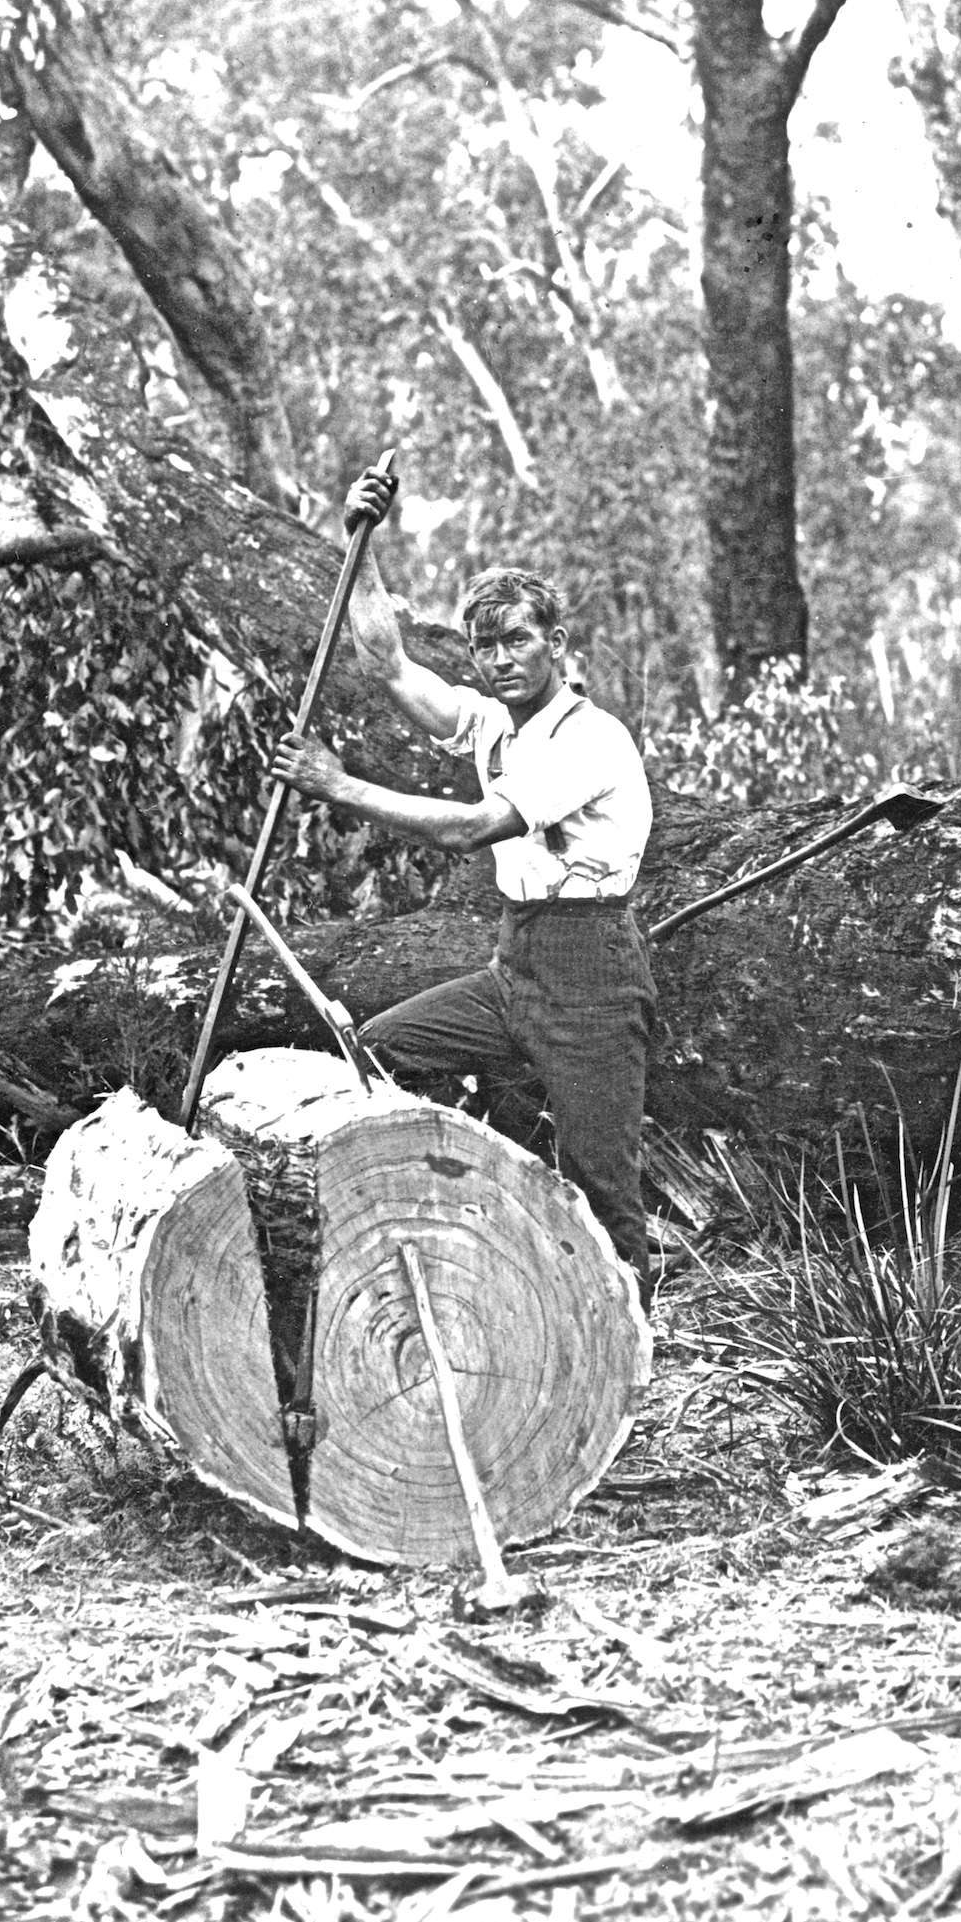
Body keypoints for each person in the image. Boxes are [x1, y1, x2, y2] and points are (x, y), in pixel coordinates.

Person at [273, 464, 658, 1310]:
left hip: (591, 973)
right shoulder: (491, 722)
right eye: (485, 646)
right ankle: (458, 1233)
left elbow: (472, 828)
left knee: (605, 1188)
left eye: (517, 639)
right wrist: (361, 541)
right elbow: (388, 661)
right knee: (379, 1052)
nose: (499, 659)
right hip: (514, 963)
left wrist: (336, 785)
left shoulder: (589, 739)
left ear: (556, 644)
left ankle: (631, 1364)